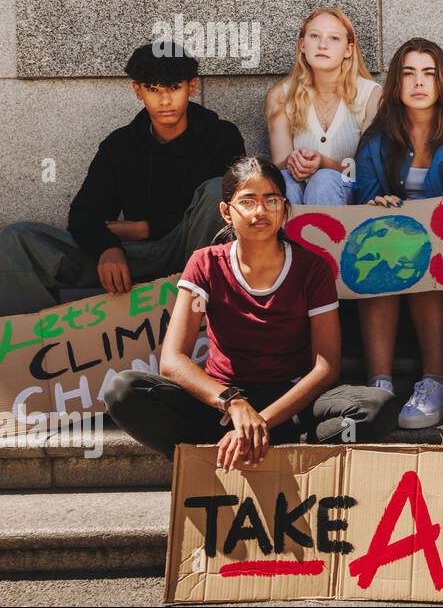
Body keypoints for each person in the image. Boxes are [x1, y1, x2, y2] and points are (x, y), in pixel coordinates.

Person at [103, 157, 399, 468]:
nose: (260, 211)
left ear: (284, 208)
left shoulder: (312, 268)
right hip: (222, 407)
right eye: (247, 201)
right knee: (123, 390)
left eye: (271, 200)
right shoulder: (205, 263)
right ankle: (206, 459)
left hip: (290, 406)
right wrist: (233, 403)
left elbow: (326, 369)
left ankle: (274, 451)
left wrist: (263, 421)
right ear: (225, 212)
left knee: (376, 407)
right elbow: (173, 361)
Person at [0, 43, 245, 316]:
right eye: (153, 89)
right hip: (133, 257)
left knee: (217, 192)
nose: (165, 101)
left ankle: (207, 319)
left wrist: (142, 228)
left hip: (191, 251)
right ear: (137, 91)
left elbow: (230, 209)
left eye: (174, 87)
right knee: (18, 238)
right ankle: (33, 345)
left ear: (191, 87)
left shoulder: (221, 136)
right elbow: (84, 213)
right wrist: (107, 248)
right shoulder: (121, 145)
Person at [352, 37, 443, 430]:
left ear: (442, 82)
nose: (419, 82)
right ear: (396, 83)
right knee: (383, 254)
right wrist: (376, 205)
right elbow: (362, 202)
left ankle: (437, 383)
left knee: (419, 254)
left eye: (429, 74)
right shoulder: (378, 141)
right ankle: (378, 385)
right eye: (409, 73)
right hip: (392, 248)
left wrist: (424, 224)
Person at [266, 7, 379, 206]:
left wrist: (324, 163)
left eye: (334, 38)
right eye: (315, 36)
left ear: (348, 50)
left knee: (324, 180)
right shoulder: (280, 95)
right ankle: (287, 238)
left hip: (350, 194)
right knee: (284, 180)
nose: (323, 45)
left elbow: (368, 172)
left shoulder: (371, 95)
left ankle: (326, 238)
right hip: (298, 190)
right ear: (302, 45)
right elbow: (279, 164)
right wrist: (293, 161)